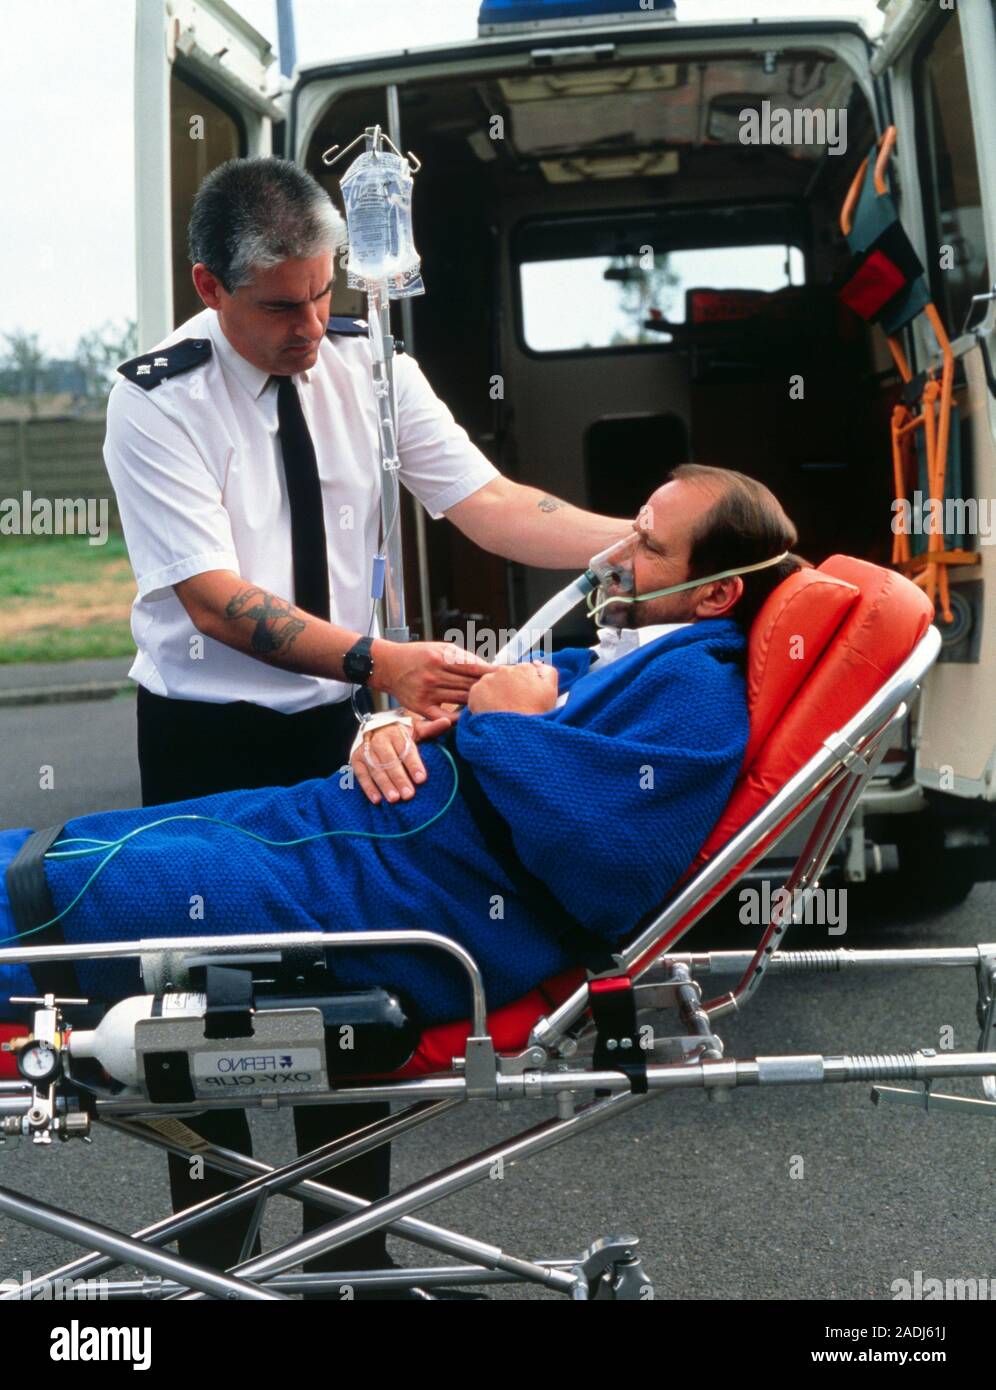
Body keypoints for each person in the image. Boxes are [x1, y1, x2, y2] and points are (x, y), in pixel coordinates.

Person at [94, 155, 633, 1291]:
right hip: (207, 735)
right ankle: (215, 1260)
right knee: (202, 1011)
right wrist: (383, 660)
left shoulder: (367, 363)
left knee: (357, 1001)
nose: (312, 324)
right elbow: (213, 599)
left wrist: (635, 539)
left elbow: (485, 503)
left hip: (341, 725)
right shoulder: (154, 398)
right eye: (282, 306)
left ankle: (353, 1259)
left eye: (325, 292)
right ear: (209, 285)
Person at [1, 463, 800, 1042]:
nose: (617, 556)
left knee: (75, 891)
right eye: (631, 528)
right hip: (342, 837)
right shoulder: (618, 657)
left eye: (649, 546)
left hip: (399, 897)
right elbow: (493, 713)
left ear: (717, 593)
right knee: (83, 845)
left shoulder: (697, 697)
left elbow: (613, 866)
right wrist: (384, 727)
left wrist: (498, 724)